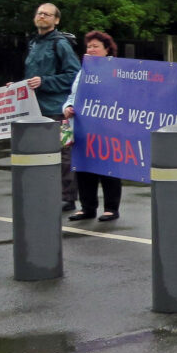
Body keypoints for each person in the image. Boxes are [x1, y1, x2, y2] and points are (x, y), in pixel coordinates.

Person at [23, 3, 82, 211]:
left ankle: (67, 197)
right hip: (37, 109)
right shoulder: (34, 43)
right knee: (41, 152)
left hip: (58, 109)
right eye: (39, 13)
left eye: (47, 14)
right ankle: (47, 193)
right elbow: (33, 77)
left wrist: (45, 82)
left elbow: (74, 75)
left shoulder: (60, 44)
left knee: (64, 153)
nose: (42, 16)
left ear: (56, 20)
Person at [62, 31, 123, 222]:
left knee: (109, 167)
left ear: (107, 50)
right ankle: (87, 207)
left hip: (107, 128)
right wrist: (67, 107)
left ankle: (111, 208)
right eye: (89, 46)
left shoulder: (117, 70)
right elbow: (73, 95)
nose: (91, 49)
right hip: (83, 127)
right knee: (84, 168)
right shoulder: (83, 71)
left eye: (96, 46)